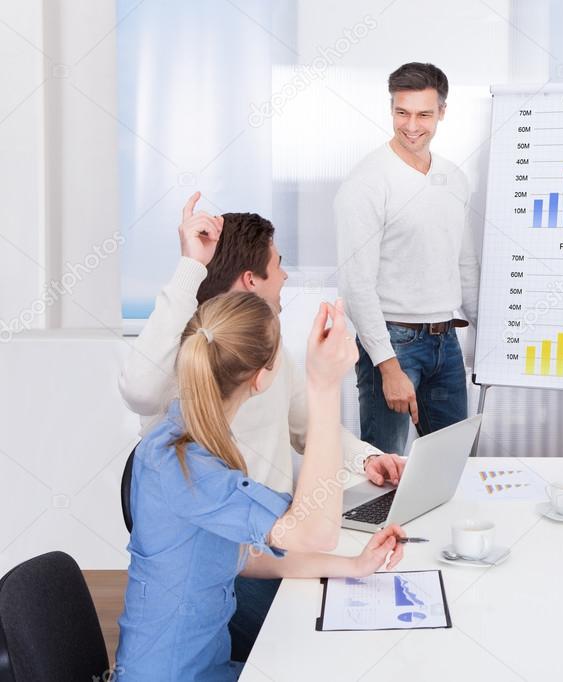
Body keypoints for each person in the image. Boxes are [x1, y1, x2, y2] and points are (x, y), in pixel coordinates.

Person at [118, 193, 406, 661]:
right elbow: (139, 389)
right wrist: (325, 382)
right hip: (271, 543)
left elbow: (249, 551)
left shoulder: (212, 450)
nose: (288, 275)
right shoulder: (186, 450)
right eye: (280, 264)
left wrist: (352, 555)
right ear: (257, 379)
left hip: (267, 543)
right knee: (327, 647)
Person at [335, 62, 479, 455]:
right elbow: (356, 284)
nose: (411, 125)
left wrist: (484, 337)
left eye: (423, 114)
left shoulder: (453, 177)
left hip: (445, 340)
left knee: (449, 463)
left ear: (442, 113)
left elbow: (463, 263)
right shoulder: (367, 182)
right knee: (384, 469)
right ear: (391, 109)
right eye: (402, 112)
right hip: (393, 343)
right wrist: (388, 366)